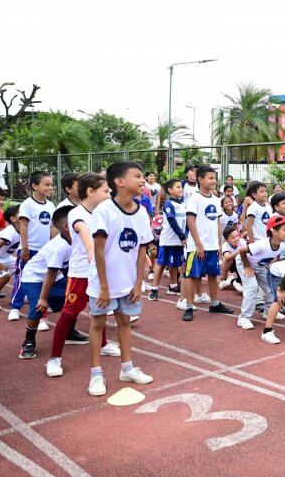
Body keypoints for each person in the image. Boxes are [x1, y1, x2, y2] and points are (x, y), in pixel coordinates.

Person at [86, 161, 154, 397]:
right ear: (120, 181)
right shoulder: (104, 211)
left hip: (128, 282)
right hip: (103, 283)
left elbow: (142, 249)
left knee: (124, 322)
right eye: (137, 176)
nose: (143, 180)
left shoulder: (142, 212)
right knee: (97, 324)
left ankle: (127, 368)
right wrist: (104, 286)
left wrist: (138, 283)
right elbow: (99, 250)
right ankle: (96, 374)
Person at [46, 173, 119, 378]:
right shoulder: (77, 213)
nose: (109, 194)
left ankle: (103, 344)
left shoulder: (105, 211)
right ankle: (54, 359)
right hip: (81, 273)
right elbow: (84, 232)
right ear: (90, 191)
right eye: (106, 191)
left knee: (100, 311)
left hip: (101, 271)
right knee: (69, 314)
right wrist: (90, 251)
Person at [17, 205, 73, 360]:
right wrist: (43, 298)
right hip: (34, 277)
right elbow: (51, 273)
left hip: (57, 276)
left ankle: (70, 332)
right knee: (38, 307)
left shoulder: (77, 240)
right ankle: (29, 341)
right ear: (67, 227)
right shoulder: (58, 247)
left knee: (74, 298)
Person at [181, 165, 233, 321]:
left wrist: (219, 243)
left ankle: (215, 303)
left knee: (212, 274)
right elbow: (191, 221)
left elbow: (218, 222)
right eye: (210, 178)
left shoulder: (217, 200)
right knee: (192, 275)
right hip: (197, 246)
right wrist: (198, 244)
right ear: (201, 179)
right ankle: (189, 306)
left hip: (212, 245)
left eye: (215, 178)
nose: (214, 181)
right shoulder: (194, 198)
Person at [9, 171, 55, 324]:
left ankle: (41, 314)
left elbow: (51, 228)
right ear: (35, 186)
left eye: (51, 185)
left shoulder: (50, 205)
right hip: (30, 249)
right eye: (47, 184)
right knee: (23, 278)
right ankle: (15, 307)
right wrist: (25, 247)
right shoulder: (28, 204)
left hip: (44, 250)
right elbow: (23, 226)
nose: (50, 188)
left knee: (43, 280)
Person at [237, 215, 285, 331]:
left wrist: (271, 268)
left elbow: (276, 257)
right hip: (244, 262)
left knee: (272, 287)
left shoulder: (281, 246)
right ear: (274, 232)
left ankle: (267, 312)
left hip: (260, 266)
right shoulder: (262, 244)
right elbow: (242, 251)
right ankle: (244, 318)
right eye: (284, 230)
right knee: (252, 287)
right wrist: (246, 266)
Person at [149, 179, 186, 304]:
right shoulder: (169, 204)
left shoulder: (183, 204)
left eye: (181, 187)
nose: (181, 189)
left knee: (175, 263)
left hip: (179, 241)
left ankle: (173, 285)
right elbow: (172, 221)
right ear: (170, 190)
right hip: (168, 240)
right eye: (177, 187)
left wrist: (184, 235)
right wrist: (182, 236)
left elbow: (185, 222)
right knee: (161, 263)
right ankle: (154, 288)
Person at [219, 225, 244, 293]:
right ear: (227, 240)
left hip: (241, 263)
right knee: (225, 260)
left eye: (237, 236)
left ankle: (233, 281)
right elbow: (227, 257)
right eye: (233, 237)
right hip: (233, 264)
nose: (236, 239)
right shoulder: (225, 245)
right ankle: (224, 280)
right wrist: (238, 252)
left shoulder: (242, 242)